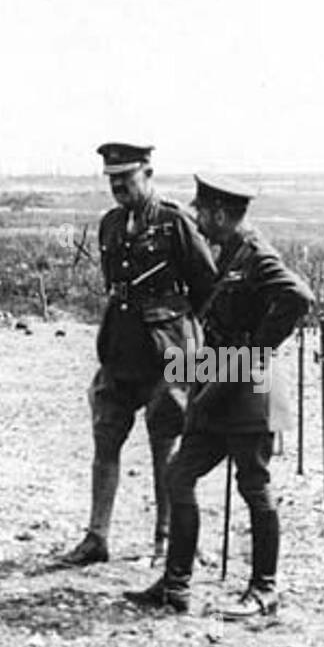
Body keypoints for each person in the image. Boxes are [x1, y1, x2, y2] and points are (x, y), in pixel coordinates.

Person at [128, 174, 314, 620]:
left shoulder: (255, 252)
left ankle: (265, 590)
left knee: (253, 485)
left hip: (251, 386)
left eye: (203, 211)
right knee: (179, 475)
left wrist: (255, 352)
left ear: (219, 214)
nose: (197, 217)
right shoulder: (223, 252)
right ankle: (176, 586)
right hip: (218, 379)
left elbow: (298, 297)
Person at [57, 143, 218, 567]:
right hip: (121, 345)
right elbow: (116, 285)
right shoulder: (110, 223)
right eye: (112, 180)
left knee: (165, 438)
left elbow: (206, 286)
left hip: (171, 347)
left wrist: (185, 330)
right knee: (105, 434)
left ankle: (168, 540)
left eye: (126, 179)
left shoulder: (173, 221)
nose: (118, 188)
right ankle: (96, 538)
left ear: (147, 173)